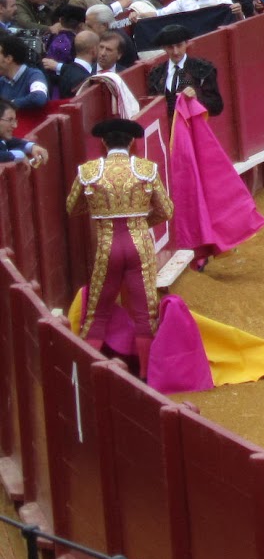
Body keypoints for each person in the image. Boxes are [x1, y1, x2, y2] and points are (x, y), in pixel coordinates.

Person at [68, 117, 174, 377]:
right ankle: (147, 376)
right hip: (139, 245)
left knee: (96, 312)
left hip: (107, 246)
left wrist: (99, 210)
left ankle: (86, 372)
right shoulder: (146, 168)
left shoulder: (89, 171)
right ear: (131, 143)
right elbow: (166, 210)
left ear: (103, 143)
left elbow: (72, 208)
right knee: (145, 313)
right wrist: (140, 221)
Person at [145, 23, 223, 119]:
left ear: (186, 43)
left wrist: (196, 98)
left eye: (179, 45)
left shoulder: (202, 69)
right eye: (170, 47)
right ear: (164, 48)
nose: (175, 51)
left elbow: (216, 106)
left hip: (193, 128)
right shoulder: (156, 74)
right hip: (169, 131)